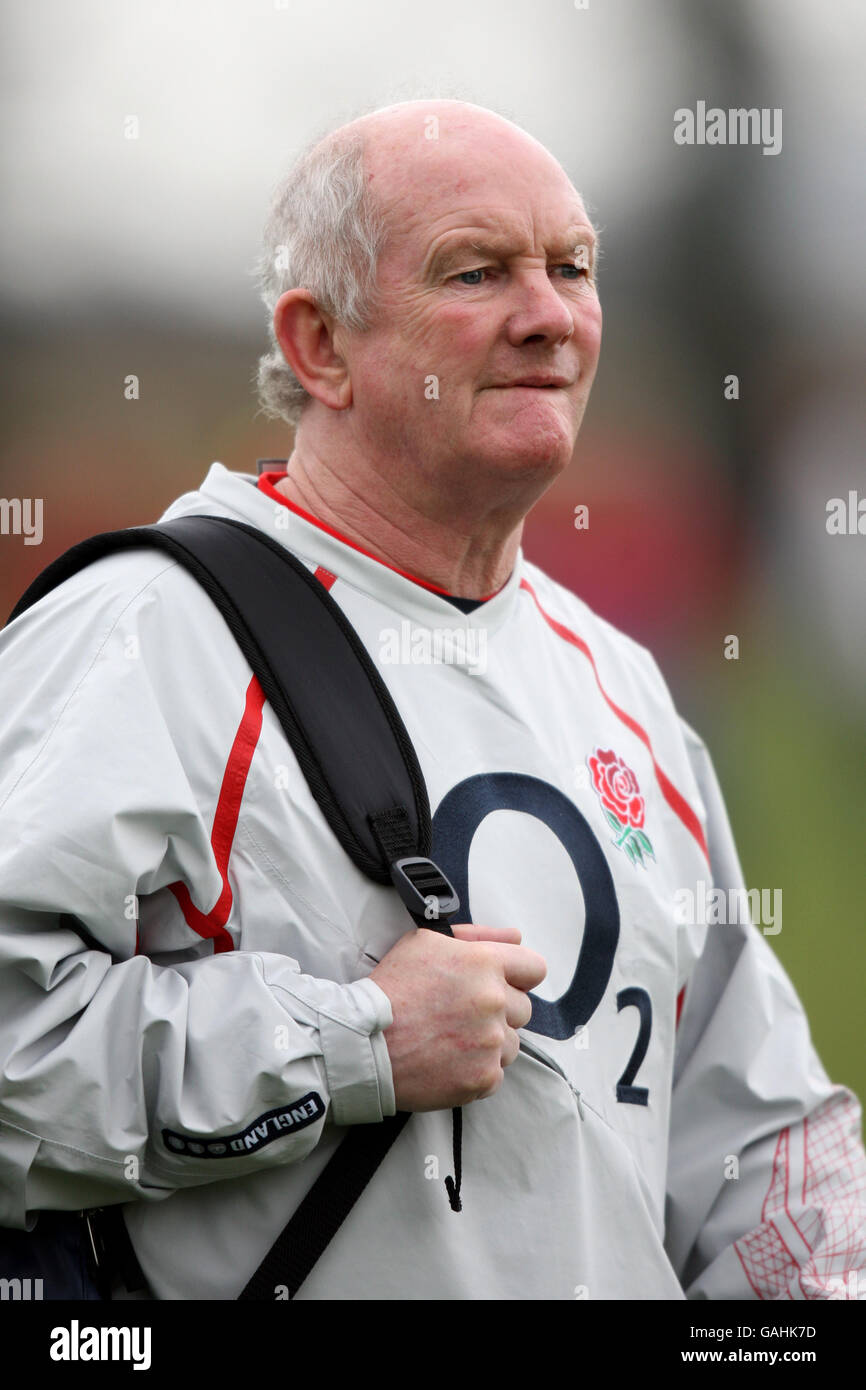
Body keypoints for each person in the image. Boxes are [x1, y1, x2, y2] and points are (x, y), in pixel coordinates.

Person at [0, 99, 863, 1301]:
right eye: (476, 271)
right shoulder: (143, 634)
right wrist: (351, 1039)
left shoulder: (618, 683)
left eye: (572, 267)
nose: (548, 315)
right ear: (319, 347)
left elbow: (760, 1139)